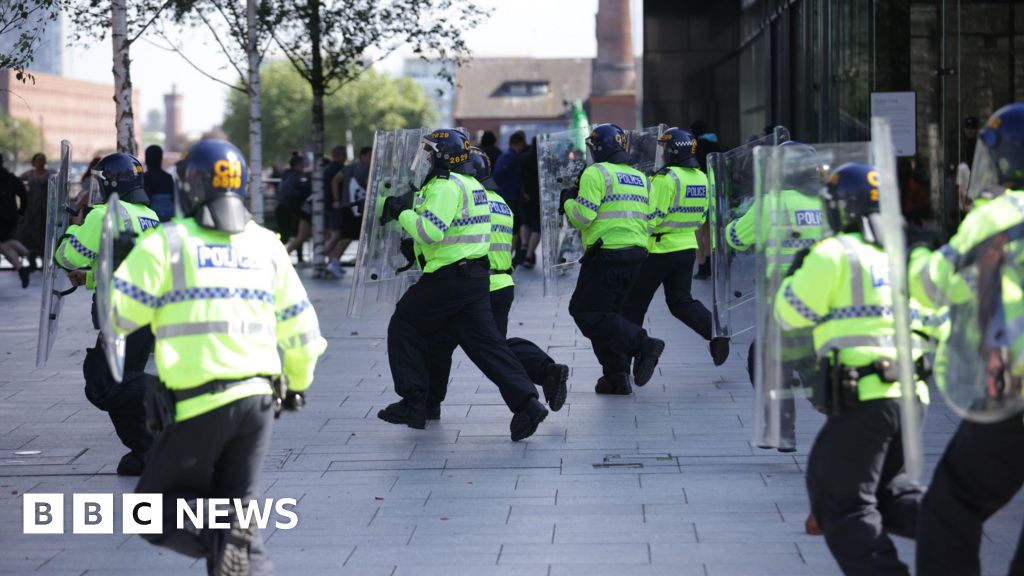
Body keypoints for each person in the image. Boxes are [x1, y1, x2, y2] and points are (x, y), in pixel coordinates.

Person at [110, 139, 326, 574]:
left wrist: (120, 261)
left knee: (151, 511)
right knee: (238, 520)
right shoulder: (267, 245)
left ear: (189, 186)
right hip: (259, 402)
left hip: (198, 402)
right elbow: (303, 331)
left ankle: (220, 544)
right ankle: (232, 547)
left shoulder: (166, 243)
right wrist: (297, 386)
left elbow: (120, 316)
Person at [776, 162, 928, 575]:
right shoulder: (901, 253)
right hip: (911, 396)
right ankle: (949, 522)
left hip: (866, 398)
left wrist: (796, 273)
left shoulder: (833, 253)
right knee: (878, 491)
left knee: (846, 506)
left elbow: (789, 315)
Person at [377, 128, 548, 441]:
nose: (424, 158)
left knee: (404, 323)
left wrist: (400, 212)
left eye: (429, 153)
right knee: (488, 346)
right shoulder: (472, 185)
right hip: (475, 278)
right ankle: (527, 404)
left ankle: (414, 401)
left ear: (441, 156)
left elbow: (431, 231)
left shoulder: (445, 186)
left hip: (449, 277)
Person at [912, 103, 1024, 576]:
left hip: (1013, 386)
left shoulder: (998, 214)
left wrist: (914, 252)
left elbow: (936, 283)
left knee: (952, 505)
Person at [425, 147, 570, 418]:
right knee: (495, 346)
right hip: (502, 284)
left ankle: (430, 402)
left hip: (470, 285)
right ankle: (545, 370)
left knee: (443, 343)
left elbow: (439, 236)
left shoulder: (465, 200)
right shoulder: (501, 203)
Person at [54, 152, 161, 475]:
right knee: (118, 386)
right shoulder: (148, 216)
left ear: (110, 184)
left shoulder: (103, 215)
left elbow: (69, 255)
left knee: (104, 385)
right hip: (146, 312)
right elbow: (126, 264)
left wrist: (73, 227)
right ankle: (147, 450)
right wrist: (87, 278)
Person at [561, 123, 664, 395]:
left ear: (598, 149)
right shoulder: (640, 177)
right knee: (609, 316)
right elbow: (652, 221)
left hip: (606, 255)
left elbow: (582, 216)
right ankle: (616, 376)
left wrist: (568, 202)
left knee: (586, 312)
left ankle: (643, 343)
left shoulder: (596, 173)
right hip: (637, 255)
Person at [623, 128, 729, 367]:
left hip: (658, 250)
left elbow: (652, 218)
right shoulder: (701, 177)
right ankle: (716, 332)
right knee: (681, 302)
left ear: (672, 151)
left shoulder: (666, 179)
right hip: (686, 248)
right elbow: (702, 216)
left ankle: (634, 355)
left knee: (634, 303)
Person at [690, 121, 721, 279]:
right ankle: (709, 264)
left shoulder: (696, 146)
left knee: (697, 233)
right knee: (709, 231)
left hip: (700, 188)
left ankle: (702, 267)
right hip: (714, 187)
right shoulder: (715, 144)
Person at [493, 131, 526, 265]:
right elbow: (498, 174)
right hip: (509, 197)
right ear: (520, 143)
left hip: (508, 196)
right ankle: (507, 257)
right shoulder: (510, 157)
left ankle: (510, 255)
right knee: (513, 228)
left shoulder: (506, 156)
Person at [0, 153, 30, 287]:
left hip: (2, 217)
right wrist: (20, 212)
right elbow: (23, 194)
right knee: (5, 243)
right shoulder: (10, 177)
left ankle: (20, 267)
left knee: (4, 244)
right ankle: (28, 255)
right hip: (10, 216)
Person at [17, 152, 52, 268]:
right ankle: (31, 258)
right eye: (38, 160)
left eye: (42, 160)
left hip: (44, 208)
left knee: (43, 233)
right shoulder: (29, 174)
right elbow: (17, 181)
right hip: (31, 208)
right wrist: (24, 190)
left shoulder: (49, 174)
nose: (40, 162)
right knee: (29, 233)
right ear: (34, 162)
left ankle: (43, 260)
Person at [275, 153, 312, 256]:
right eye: (302, 164)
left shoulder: (288, 174)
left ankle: (296, 257)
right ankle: (277, 255)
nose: (304, 166)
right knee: (287, 235)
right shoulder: (294, 176)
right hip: (288, 209)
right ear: (297, 164)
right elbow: (290, 192)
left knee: (295, 234)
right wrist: (302, 191)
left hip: (284, 208)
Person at [323, 145, 348, 278]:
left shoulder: (327, 168)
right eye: (344, 155)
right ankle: (323, 258)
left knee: (332, 234)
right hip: (334, 205)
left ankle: (332, 262)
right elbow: (335, 182)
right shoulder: (338, 168)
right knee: (337, 235)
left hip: (328, 204)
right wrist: (337, 199)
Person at [518, 137, 542, 269]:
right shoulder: (544, 159)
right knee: (537, 227)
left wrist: (522, 192)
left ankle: (524, 245)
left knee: (525, 222)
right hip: (539, 198)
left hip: (525, 196)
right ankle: (528, 255)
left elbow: (518, 177)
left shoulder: (523, 158)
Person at [144, 145, 177, 222]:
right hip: (170, 218)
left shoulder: (144, 178)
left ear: (146, 159)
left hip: (152, 219)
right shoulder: (168, 178)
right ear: (161, 159)